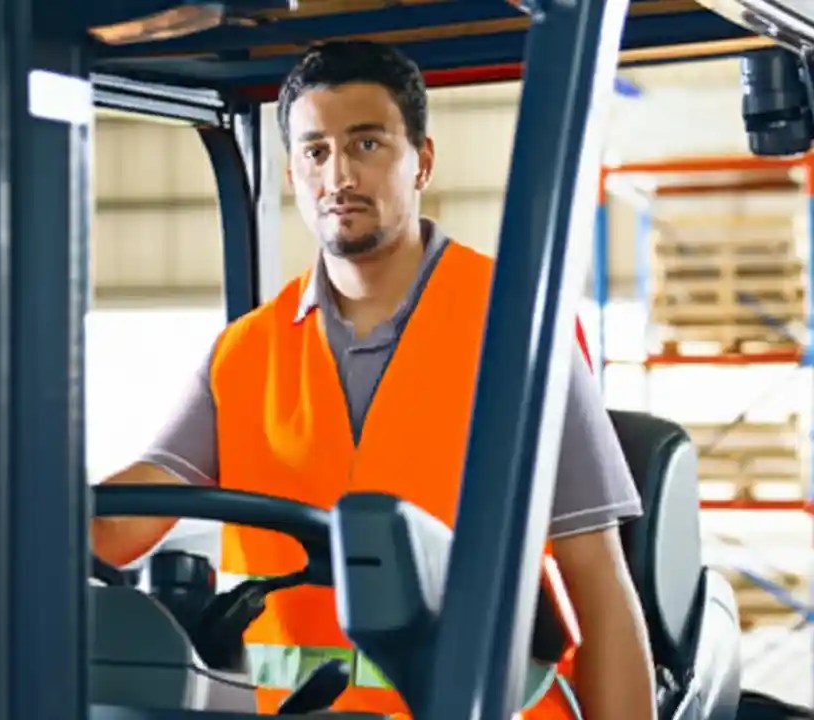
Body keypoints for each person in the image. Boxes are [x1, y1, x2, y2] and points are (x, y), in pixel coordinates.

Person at [90, 41, 656, 720]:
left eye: (366, 145)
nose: (339, 177)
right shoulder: (244, 353)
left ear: (421, 160)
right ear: (294, 171)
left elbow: (596, 578)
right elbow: (118, 525)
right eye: (316, 151)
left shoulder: (515, 331)